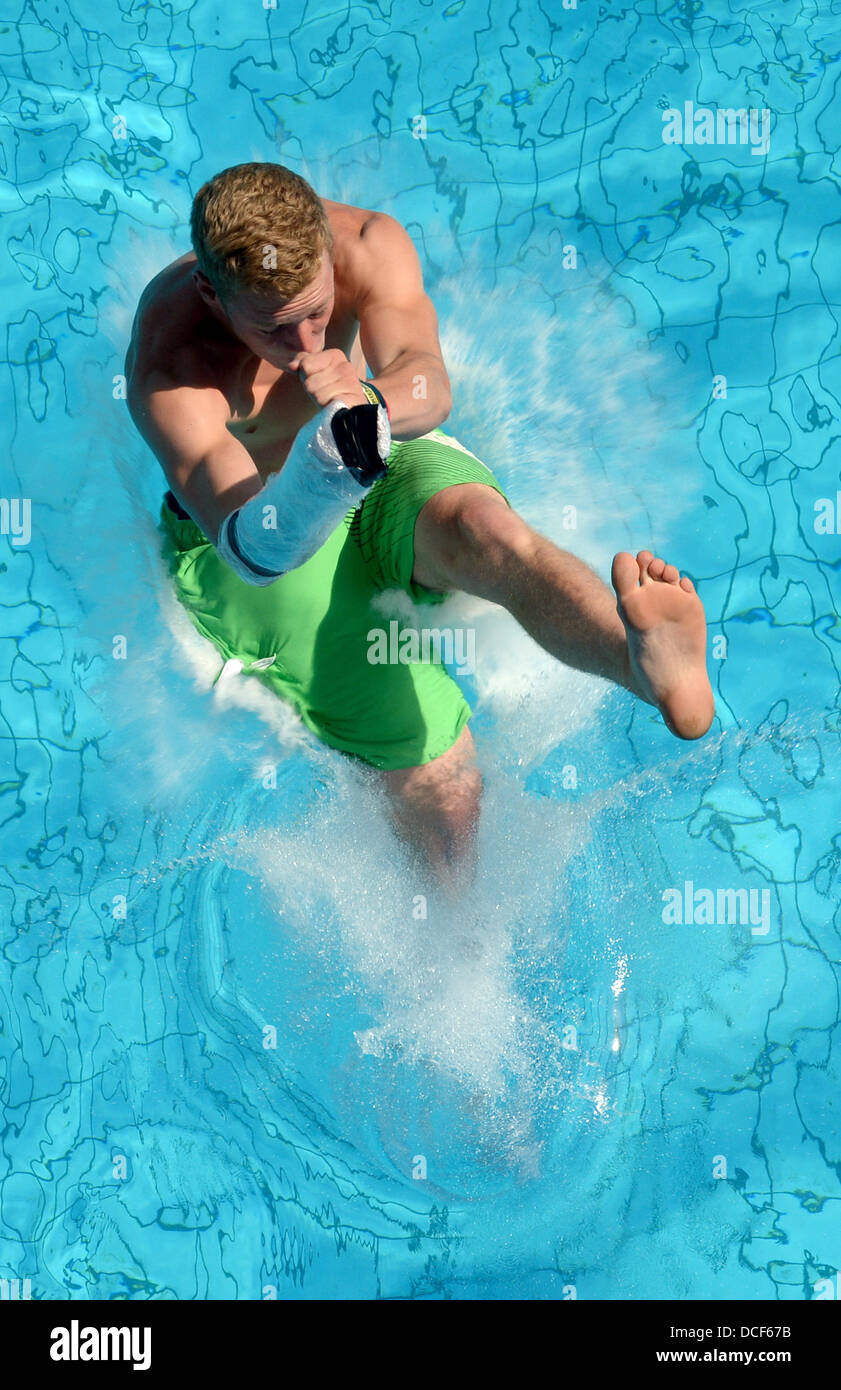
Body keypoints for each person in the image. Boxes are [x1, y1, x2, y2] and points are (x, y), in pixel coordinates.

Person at [125, 161, 714, 889]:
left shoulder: (366, 242)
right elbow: (253, 546)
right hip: (261, 530)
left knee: (487, 533)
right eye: (275, 327)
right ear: (212, 296)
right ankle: (459, 945)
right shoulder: (171, 364)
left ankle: (644, 665)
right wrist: (323, 461)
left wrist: (363, 402)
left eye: (317, 310)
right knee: (444, 779)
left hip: (369, 446)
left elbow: (428, 386)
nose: (307, 342)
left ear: (328, 256)